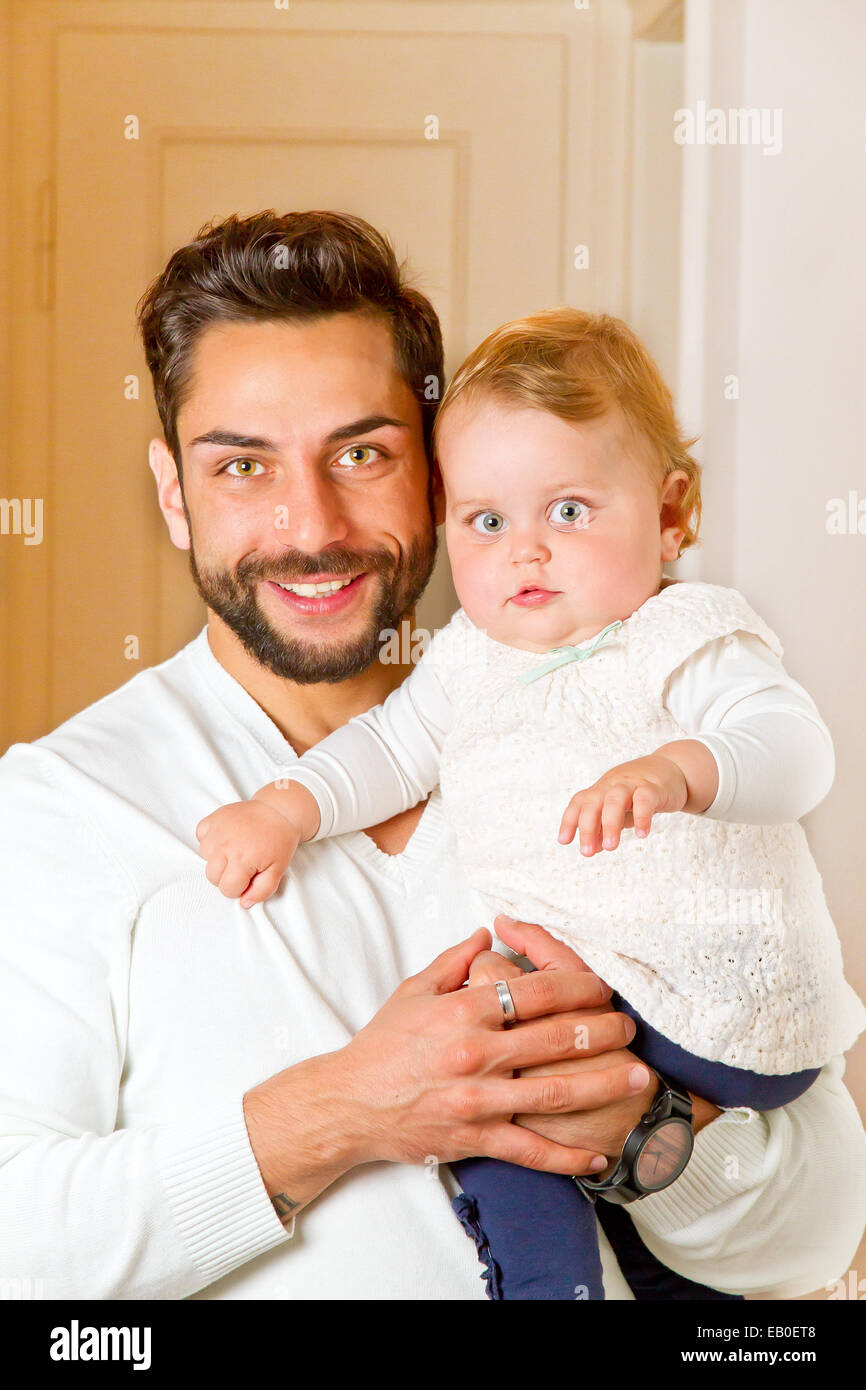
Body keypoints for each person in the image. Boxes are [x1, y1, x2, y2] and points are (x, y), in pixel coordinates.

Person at [0, 212, 863, 1302]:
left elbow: (821, 1224)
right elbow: (16, 1247)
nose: (308, 523)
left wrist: (646, 1137)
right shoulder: (63, 803)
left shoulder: (629, 720)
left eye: (362, 454)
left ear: (436, 475)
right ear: (175, 492)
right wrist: (342, 1111)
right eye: (241, 467)